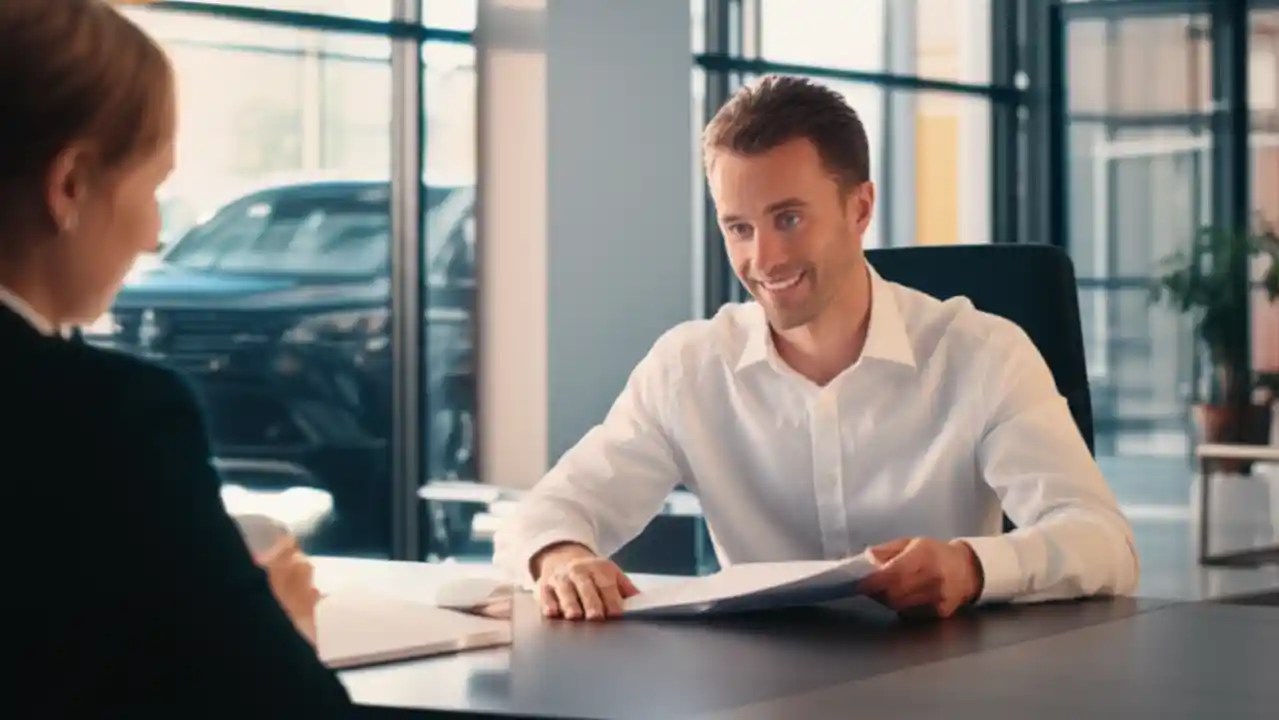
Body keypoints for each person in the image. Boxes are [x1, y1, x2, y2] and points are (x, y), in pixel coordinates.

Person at [494, 75, 1140, 622]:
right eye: (738, 228)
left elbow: (1104, 544)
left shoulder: (982, 354)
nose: (763, 258)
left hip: (944, 687)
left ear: (859, 209)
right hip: (758, 693)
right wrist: (562, 556)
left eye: (789, 219)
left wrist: (973, 566)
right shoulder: (689, 368)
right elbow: (546, 513)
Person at [0, 1, 351, 714]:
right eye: (154, 187)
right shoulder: (104, 419)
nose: (156, 236)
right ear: (70, 184)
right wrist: (274, 623)